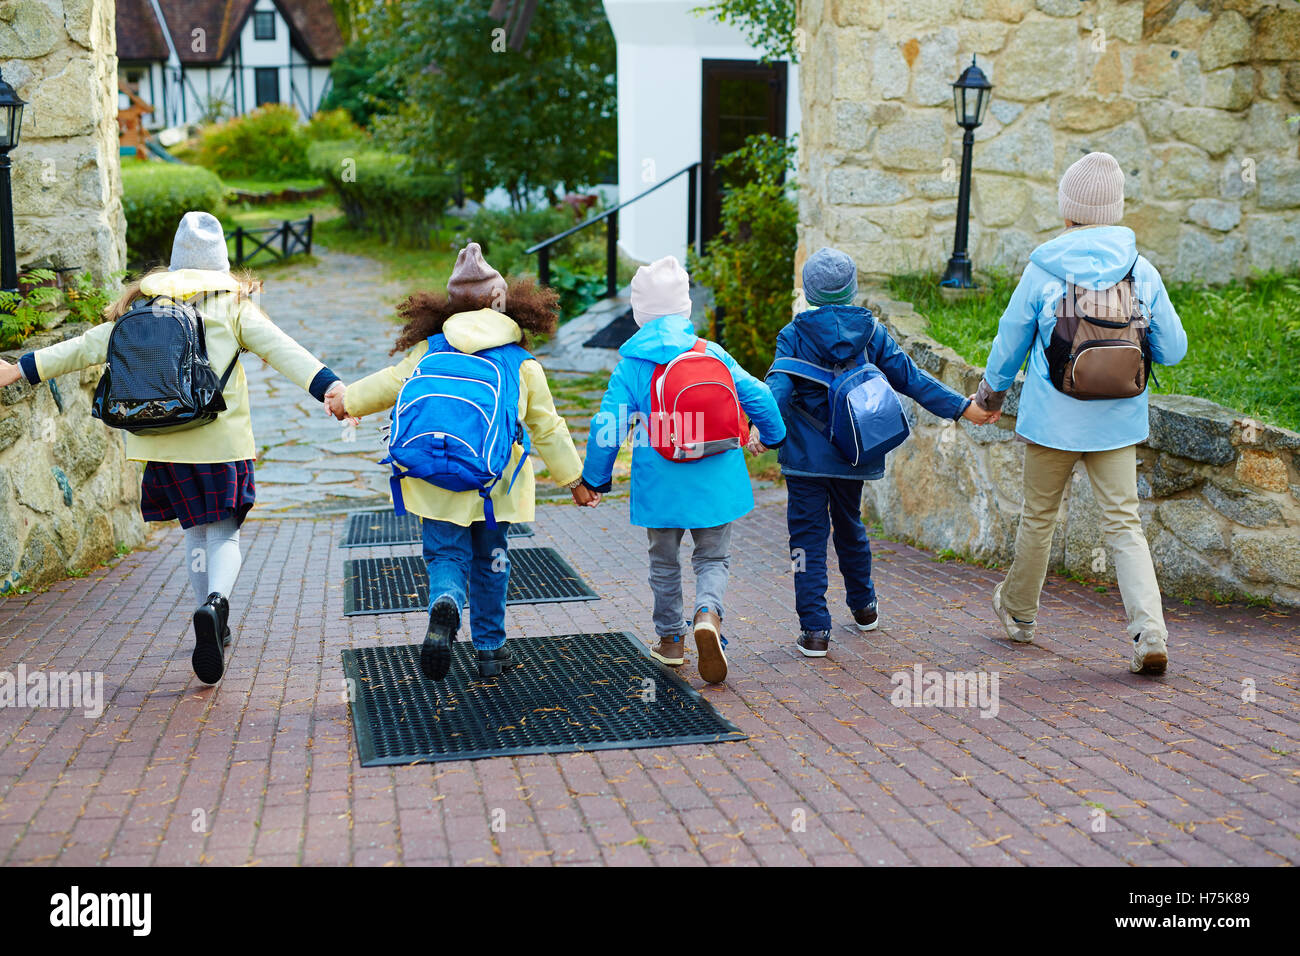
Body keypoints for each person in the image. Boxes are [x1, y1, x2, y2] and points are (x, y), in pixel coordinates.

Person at [0, 212, 345, 685]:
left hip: (161, 441)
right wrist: (330, 388)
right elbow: (283, 350)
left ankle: (209, 619)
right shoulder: (234, 306)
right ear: (221, 264)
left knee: (195, 535)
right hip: (220, 441)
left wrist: (22, 368)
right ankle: (216, 608)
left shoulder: (142, 307)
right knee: (224, 535)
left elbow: (86, 346)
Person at [327, 243, 589, 681]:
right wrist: (575, 480)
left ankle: (444, 604)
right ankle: (491, 650)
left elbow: (388, 385)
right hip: (495, 485)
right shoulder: (521, 362)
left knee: (446, 554)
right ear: (506, 303)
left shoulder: (429, 350)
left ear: (450, 305)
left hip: (436, 478)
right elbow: (548, 427)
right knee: (492, 562)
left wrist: (344, 402)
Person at [975, 151, 1187, 675]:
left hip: (1053, 422)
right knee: (1124, 526)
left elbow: (1008, 344)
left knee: (1039, 519)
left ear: (1068, 209)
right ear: (1114, 210)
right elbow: (1175, 348)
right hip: (1118, 422)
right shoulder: (1142, 271)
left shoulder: (1043, 269)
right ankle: (1149, 633)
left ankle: (1021, 615)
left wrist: (989, 396)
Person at [765, 247, 997, 659]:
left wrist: (764, 434)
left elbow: (780, 391)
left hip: (804, 459)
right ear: (852, 289)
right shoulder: (871, 332)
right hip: (855, 453)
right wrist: (963, 409)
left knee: (806, 541)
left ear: (810, 292)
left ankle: (815, 629)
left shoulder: (793, 335)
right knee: (850, 525)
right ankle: (864, 606)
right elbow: (911, 378)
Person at [578, 256, 785, 684]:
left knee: (664, 561)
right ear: (684, 309)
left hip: (661, 481)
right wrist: (773, 436)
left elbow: (607, 426)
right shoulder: (712, 353)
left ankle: (671, 641)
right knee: (714, 557)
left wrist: (594, 479)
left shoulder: (632, 366)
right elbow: (761, 395)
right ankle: (708, 614)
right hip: (717, 477)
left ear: (640, 314)